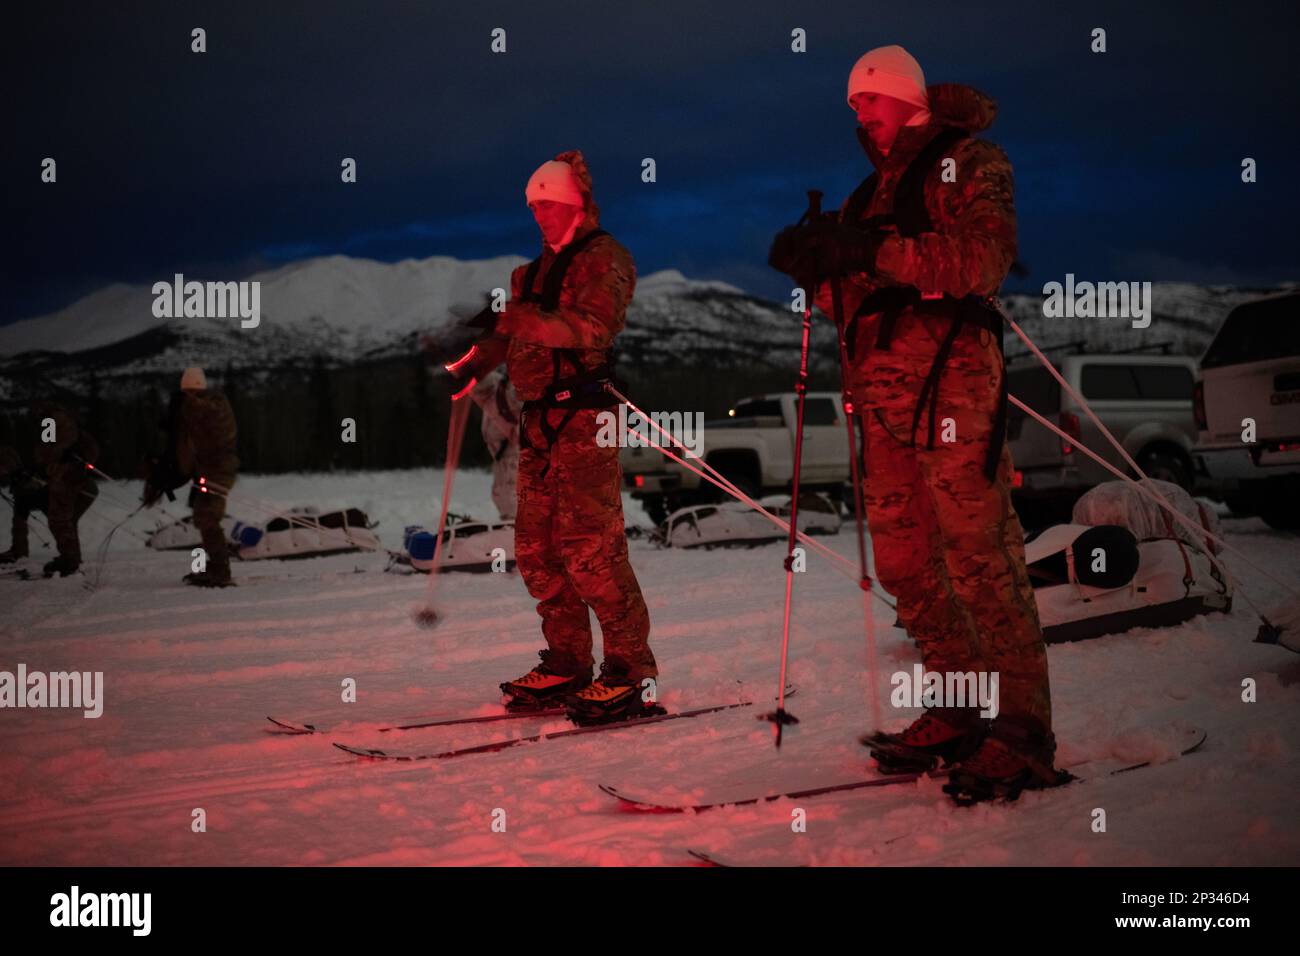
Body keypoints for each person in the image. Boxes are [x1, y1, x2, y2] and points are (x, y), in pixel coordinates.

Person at [769, 45, 1059, 802]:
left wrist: (874, 248)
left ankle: (1022, 729)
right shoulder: (871, 191)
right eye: (853, 104)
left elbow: (982, 260)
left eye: (867, 99)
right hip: (883, 399)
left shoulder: (967, 162)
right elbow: (857, 300)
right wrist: (820, 272)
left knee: (979, 556)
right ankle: (960, 709)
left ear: (904, 98)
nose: (857, 114)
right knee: (905, 563)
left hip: (954, 386)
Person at [441, 150, 657, 724]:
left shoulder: (605, 258)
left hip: (587, 418)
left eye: (551, 206)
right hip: (538, 421)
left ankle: (631, 674)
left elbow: (592, 326)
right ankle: (567, 661)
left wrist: (517, 322)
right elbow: (512, 337)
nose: (542, 217)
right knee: (538, 552)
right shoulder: (528, 273)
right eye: (535, 207)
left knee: (593, 550)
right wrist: (471, 363)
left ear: (577, 204)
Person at [145, 368, 239, 587]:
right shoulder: (194, 412)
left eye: (189, 392)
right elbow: (186, 452)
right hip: (207, 472)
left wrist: (185, 404)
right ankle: (216, 567)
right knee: (203, 516)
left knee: (207, 516)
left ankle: (220, 572)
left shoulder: (215, 405)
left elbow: (206, 414)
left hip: (217, 471)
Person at [0, 402, 100, 577]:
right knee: (64, 519)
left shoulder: (49, 421)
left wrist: (39, 468)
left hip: (64, 476)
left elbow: (47, 450)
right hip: (73, 475)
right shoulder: (64, 420)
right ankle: (71, 558)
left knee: (59, 519)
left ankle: (69, 561)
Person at [467, 368, 522, 521]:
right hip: (503, 447)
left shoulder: (514, 389)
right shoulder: (495, 388)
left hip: (511, 446)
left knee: (509, 484)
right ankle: (510, 520)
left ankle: (512, 521)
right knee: (503, 486)